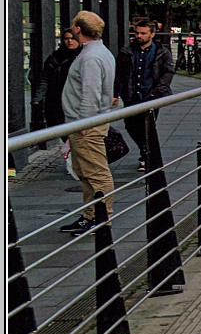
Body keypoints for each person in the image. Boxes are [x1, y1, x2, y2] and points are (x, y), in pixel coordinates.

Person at [59, 12, 118, 235]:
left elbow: (91, 93)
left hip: (86, 125)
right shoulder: (98, 52)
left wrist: (83, 122)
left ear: (78, 29)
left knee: (96, 172)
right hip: (84, 122)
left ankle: (103, 218)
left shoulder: (91, 57)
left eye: (73, 24)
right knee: (84, 172)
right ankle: (90, 216)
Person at [114, 18, 175, 172]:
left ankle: (147, 157)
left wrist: (158, 91)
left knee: (147, 126)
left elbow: (168, 72)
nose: (138, 36)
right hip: (132, 95)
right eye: (137, 32)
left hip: (151, 95)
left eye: (143, 33)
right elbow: (119, 74)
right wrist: (115, 93)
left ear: (152, 34)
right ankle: (147, 153)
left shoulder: (161, 52)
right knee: (131, 125)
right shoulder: (127, 52)